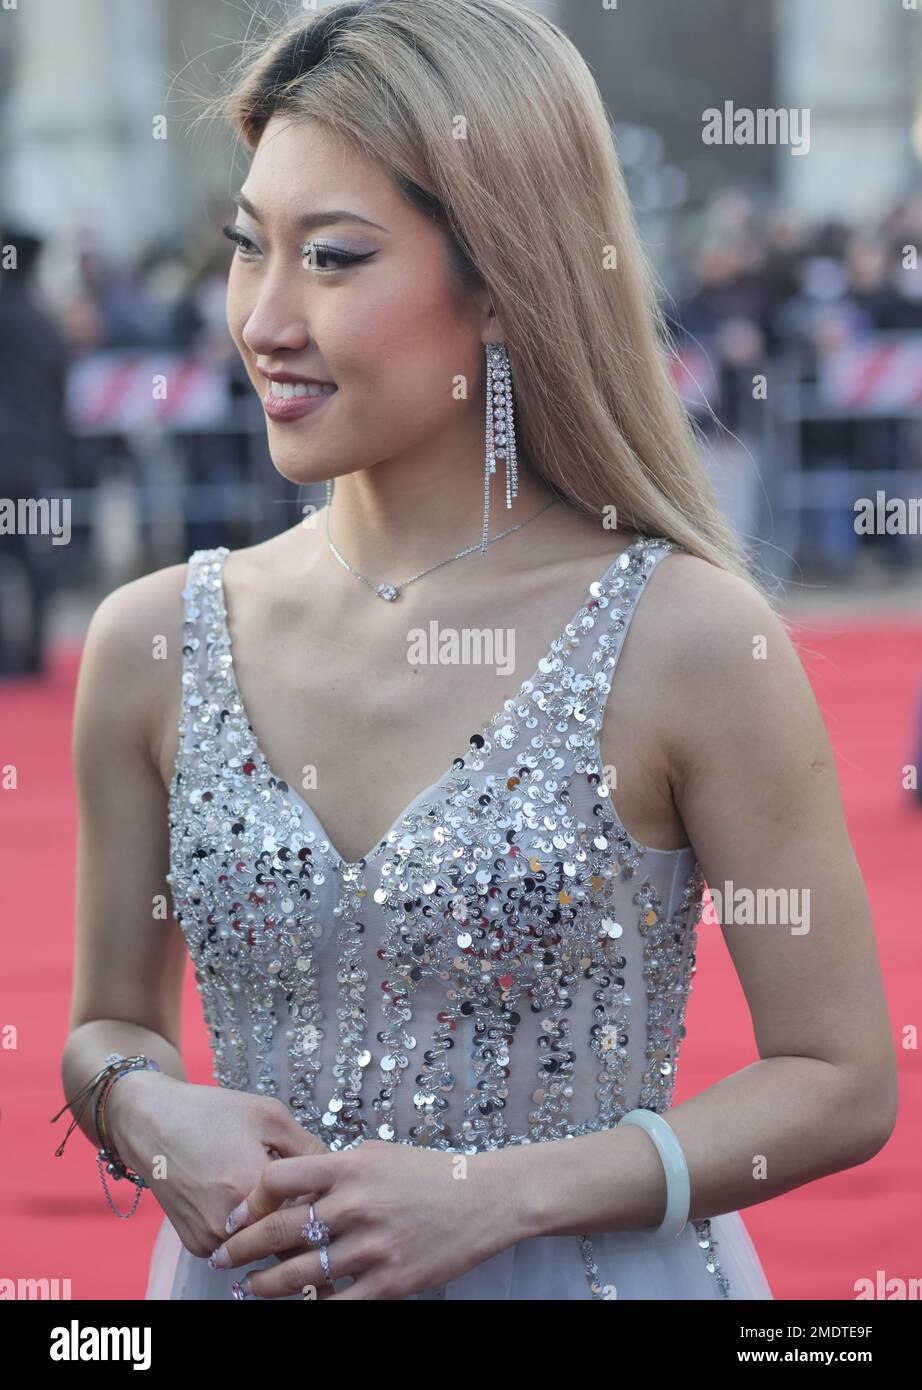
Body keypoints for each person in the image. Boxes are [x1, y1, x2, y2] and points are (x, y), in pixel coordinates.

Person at [59, 0, 896, 1301]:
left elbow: (842, 1078)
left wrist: (494, 1196)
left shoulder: (687, 639)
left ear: (502, 281)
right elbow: (107, 1025)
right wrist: (148, 1110)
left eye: (332, 258)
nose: (264, 318)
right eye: (245, 248)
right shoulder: (150, 641)